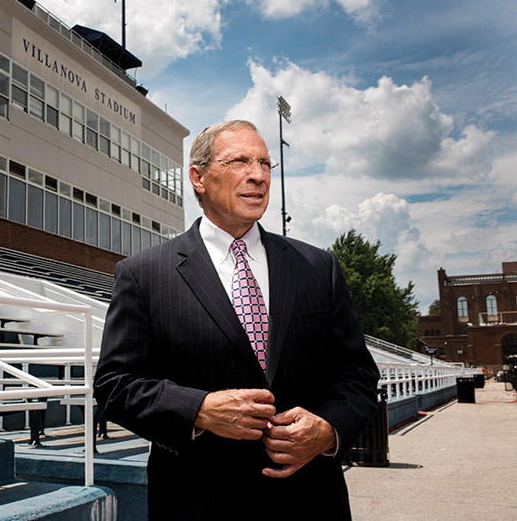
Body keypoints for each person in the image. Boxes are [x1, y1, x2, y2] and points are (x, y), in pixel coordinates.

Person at [94, 120, 380, 519]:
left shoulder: (319, 267)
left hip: (311, 501)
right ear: (198, 177)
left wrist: (328, 430)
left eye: (265, 163)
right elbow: (115, 386)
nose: (258, 175)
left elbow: (358, 374)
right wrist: (199, 409)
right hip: (198, 503)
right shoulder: (145, 274)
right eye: (239, 161)